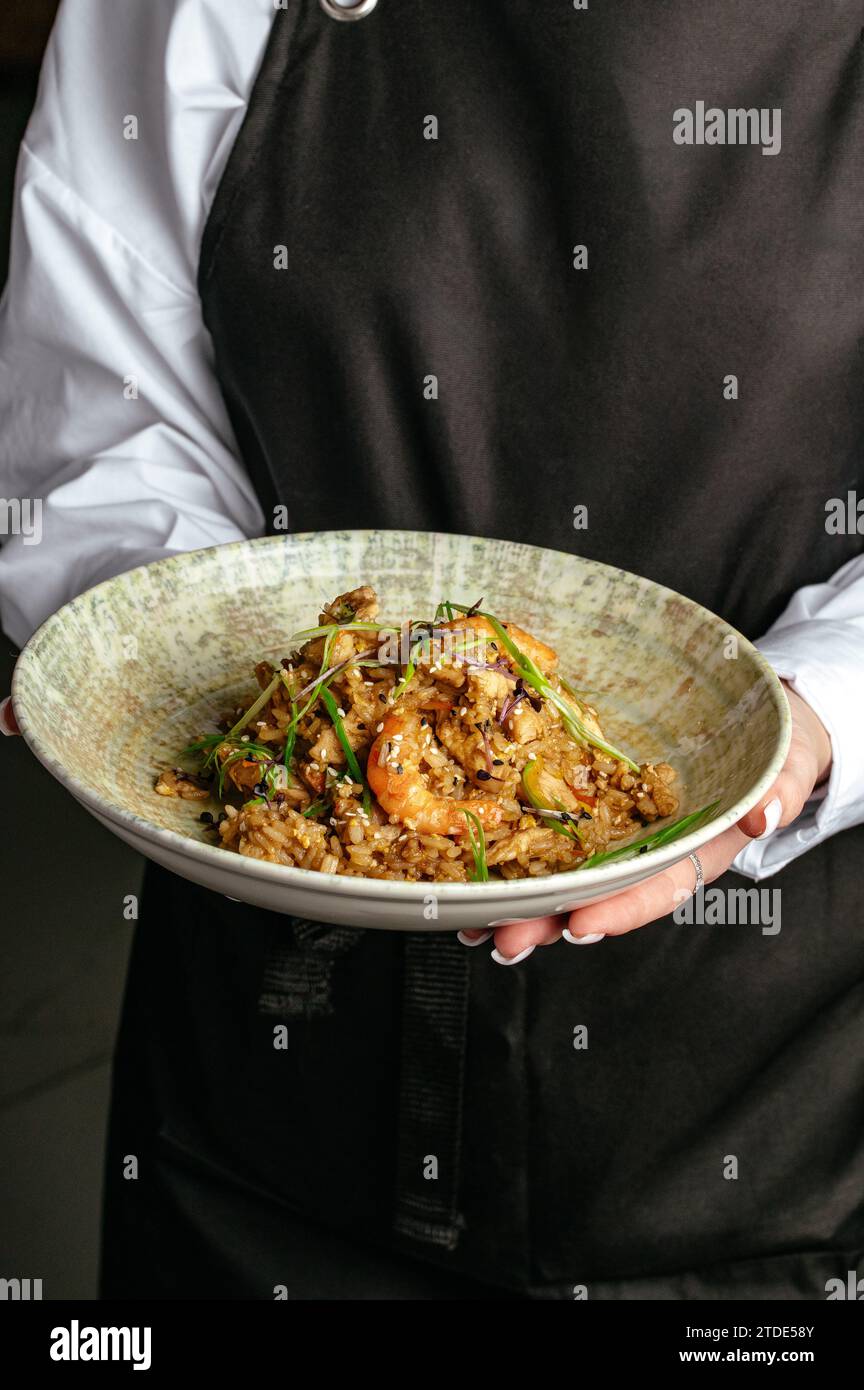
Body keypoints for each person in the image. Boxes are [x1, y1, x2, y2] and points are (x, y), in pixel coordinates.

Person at [1, 0, 863, 1300]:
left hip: (766, 1146)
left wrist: (811, 714)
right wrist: (166, 648)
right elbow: (101, 400)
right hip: (269, 1117)